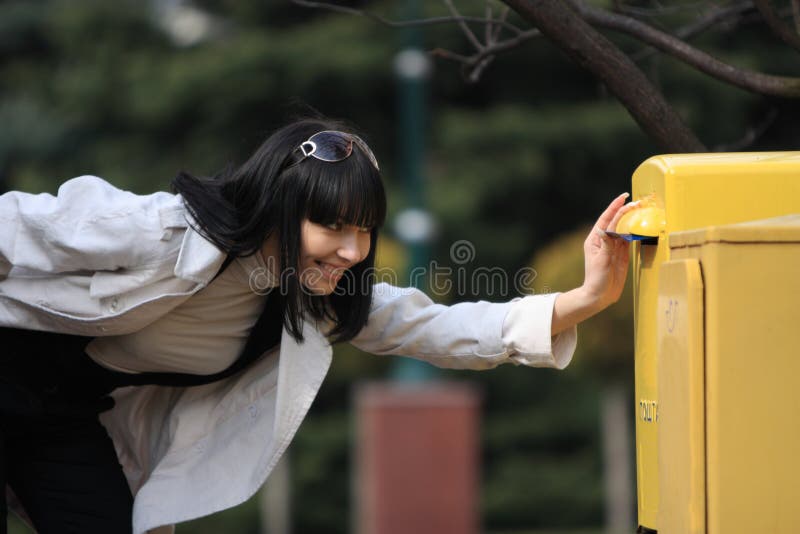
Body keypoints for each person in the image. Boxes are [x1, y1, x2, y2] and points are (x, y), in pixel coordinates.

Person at [0, 118, 638, 533]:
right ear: (282, 206)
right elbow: (17, 226)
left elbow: (443, 328)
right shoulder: (165, 232)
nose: (354, 251)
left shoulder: (317, 301)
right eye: (333, 226)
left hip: (62, 422)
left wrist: (587, 297)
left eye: (364, 230)